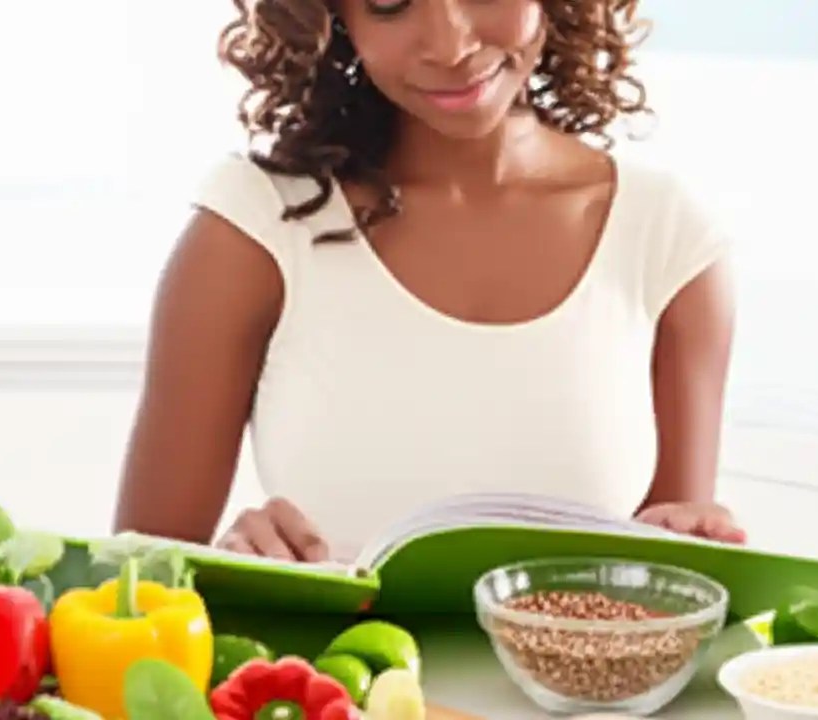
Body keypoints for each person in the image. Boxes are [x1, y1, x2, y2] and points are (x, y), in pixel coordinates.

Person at [113, 0, 744, 564]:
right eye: (390, 5)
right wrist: (234, 575)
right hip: (327, 690)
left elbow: (668, 604)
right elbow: (130, 590)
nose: (449, 44)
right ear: (333, 17)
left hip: (576, 702)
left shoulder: (667, 239)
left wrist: (706, 552)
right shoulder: (255, 227)